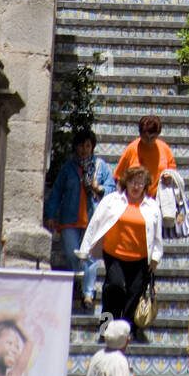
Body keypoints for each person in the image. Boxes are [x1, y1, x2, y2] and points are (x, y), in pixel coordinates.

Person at [76, 165, 162, 340]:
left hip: (140, 258)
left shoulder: (152, 206)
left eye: (140, 183)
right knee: (114, 288)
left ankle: (126, 331)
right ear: (126, 182)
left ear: (145, 185)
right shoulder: (112, 200)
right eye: (133, 182)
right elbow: (95, 223)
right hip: (115, 254)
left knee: (134, 294)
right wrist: (85, 249)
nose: (136, 186)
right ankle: (105, 328)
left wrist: (155, 257)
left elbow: (157, 235)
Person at [44, 128, 115, 311]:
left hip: (93, 220)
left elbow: (112, 190)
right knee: (71, 253)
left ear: (92, 147)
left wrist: (99, 188)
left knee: (90, 257)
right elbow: (57, 191)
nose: (84, 149)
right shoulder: (68, 168)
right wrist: (50, 214)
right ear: (75, 147)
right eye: (80, 145)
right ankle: (77, 278)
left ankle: (88, 293)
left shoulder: (101, 167)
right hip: (70, 218)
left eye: (87, 145)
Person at [113, 114, 176, 197]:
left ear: (158, 135)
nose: (148, 141)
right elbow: (118, 177)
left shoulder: (165, 149)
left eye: (152, 137)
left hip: (157, 199)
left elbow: (173, 172)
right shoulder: (131, 149)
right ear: (140, 134)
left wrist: (169, 177)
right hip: (135, 199)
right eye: (145, 137)